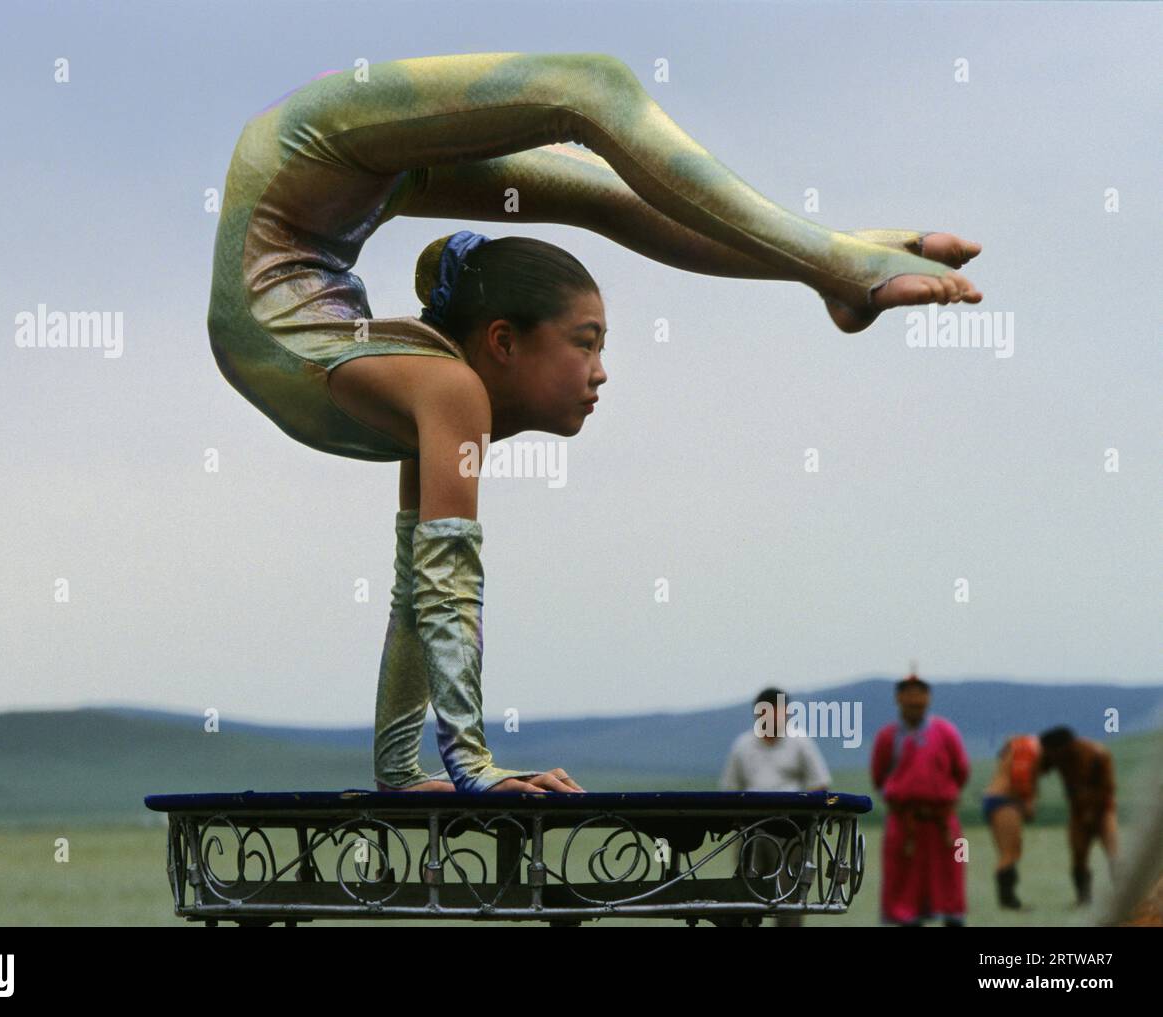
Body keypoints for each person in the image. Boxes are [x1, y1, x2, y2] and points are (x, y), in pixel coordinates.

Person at [207, 52, 984, 795]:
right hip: (302, 151)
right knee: (593, 87)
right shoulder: (450, 387)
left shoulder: (426, 383)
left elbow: (418, 588)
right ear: (504, 341)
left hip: (314, 217)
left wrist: (401, 768)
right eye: (587, 343)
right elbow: (449, 588)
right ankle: (844, 269)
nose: (601, 371)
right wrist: (476, 767)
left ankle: (839, 266)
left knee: (602, 191)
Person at [720, 687, 831, 926]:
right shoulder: (742, 746)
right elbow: (729, 790)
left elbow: (820, 786)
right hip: (751, 830)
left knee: (789, 895)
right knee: (746, 891)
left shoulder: (801, 743)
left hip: (792, 830)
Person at [870, 673, 969, 926]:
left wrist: (940, 796)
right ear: (899, 699)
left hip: (943, 825)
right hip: (905, 825)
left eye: (920, 694)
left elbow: (961, 771)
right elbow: (879, 776)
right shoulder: (887, 737)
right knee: (904, 890)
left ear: (928, 698)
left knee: (952, 881)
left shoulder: (946, 732)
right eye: (909, 695)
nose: (915, 700)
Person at [1039, 726, 1118, 905]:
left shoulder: (1097, 755)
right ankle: (1083, 898)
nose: (1048, 754)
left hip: (1103, 811)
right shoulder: (1058, 756)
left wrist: (1093, 811)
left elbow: (1108, 788)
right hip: (1078, 813)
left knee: (1112, 852)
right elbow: (1040, 767)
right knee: (1079, 855)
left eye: (1049, 750)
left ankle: (1124, 896)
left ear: (1060, 747)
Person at [981, 732, 1041, 909]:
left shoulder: (1015, 747)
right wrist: (1028, 802)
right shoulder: (1030, 748)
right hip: (1005, 801)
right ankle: (1008, 901)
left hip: (996, 799)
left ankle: (1008, 899)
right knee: (1010, 853)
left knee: (1007, 852)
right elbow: (1021, 777)